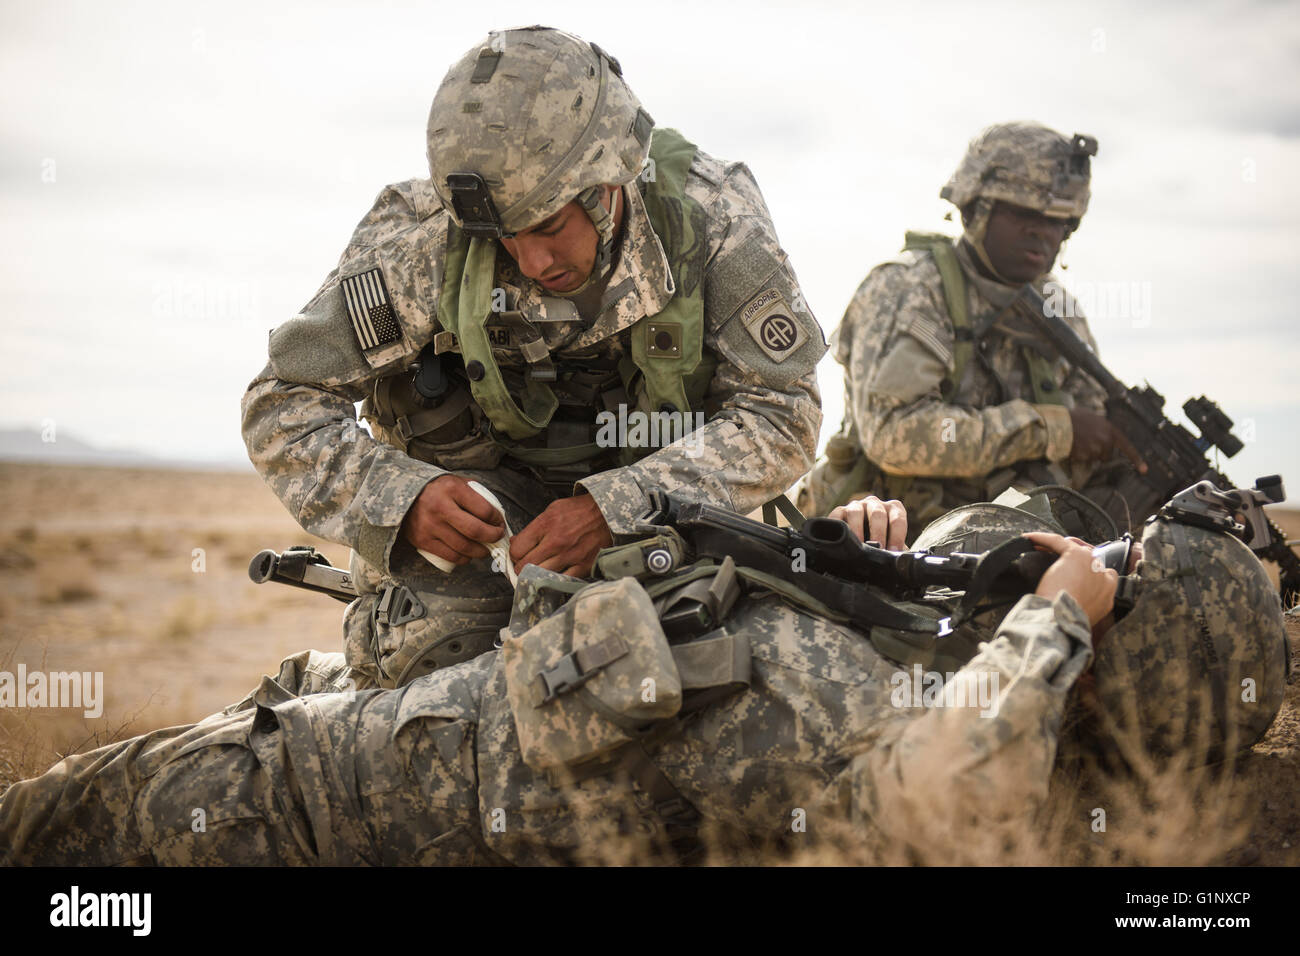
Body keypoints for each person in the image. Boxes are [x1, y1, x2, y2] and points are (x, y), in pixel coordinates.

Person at [0, 491, 1287, 866]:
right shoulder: (967, 653)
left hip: (346, 800)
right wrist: (856, 534)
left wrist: (1061, 615)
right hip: (387, 710)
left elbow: (947, 788)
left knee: (52, 834)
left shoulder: (993, 741)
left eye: (1113, 578)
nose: (1083, 566)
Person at [241, 26, 825, 689]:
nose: (533, 262)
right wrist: (404, 498)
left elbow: (784, 413)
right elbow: (280, 401)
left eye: (549, 227)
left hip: (667, 517)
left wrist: (618, 508)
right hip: (482, 530)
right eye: (506, 237)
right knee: (439, 655)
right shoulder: (428, 240)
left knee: (704, 671)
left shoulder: (712, 220)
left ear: (611, 181)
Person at [799, 122, 1146, 539]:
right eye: (1024, 213)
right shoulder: (911, 288)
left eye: (1058, 219)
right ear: (976, 209)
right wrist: (1051, 430)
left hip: (1008, 537)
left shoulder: (1058, 309)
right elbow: (895, 434)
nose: (1043, 230)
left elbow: (1091, 429)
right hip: (882, 535)